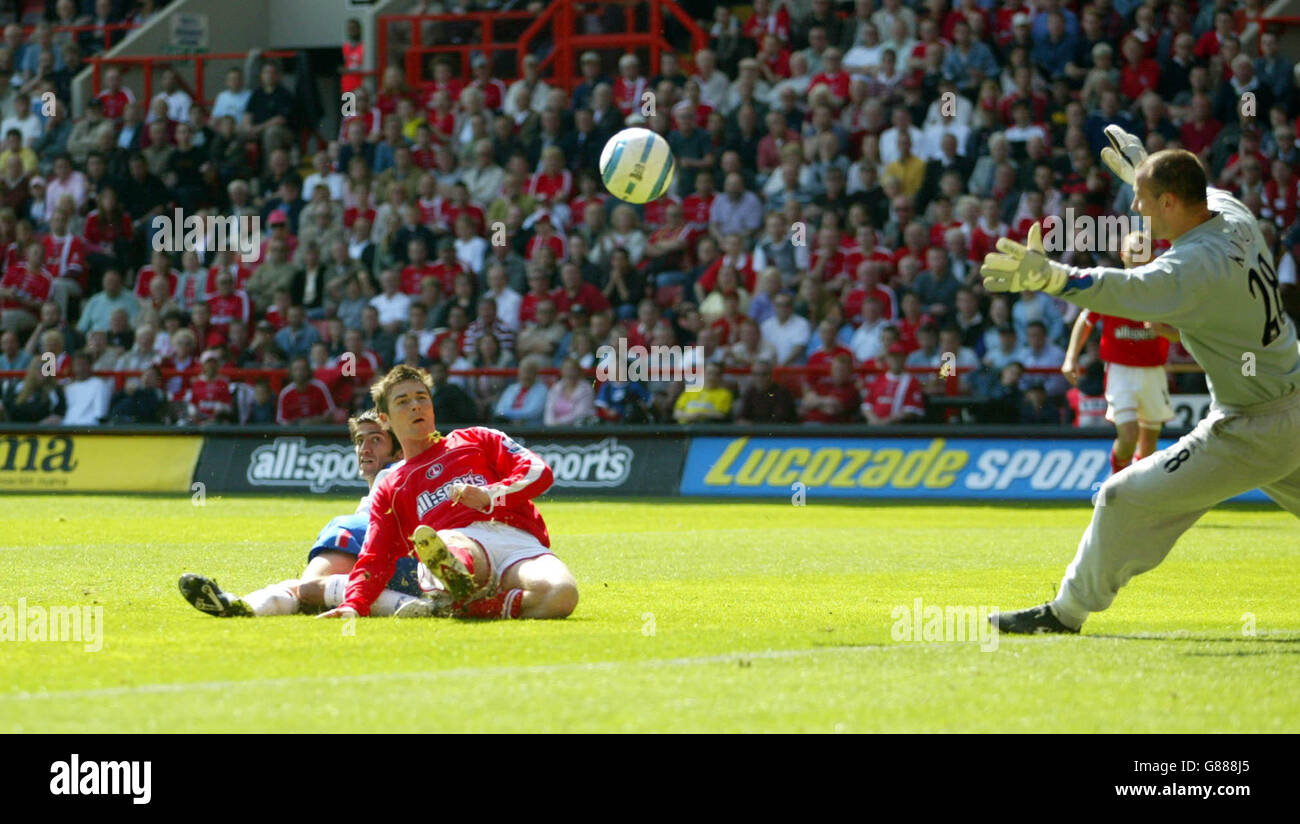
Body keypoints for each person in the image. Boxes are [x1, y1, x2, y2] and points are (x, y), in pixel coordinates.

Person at [980, 127, 1300, 634]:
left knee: (1120, 497)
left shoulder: (1192, 264)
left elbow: (1122, 289)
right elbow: (1196, 194)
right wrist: (1143, 167)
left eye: (1142, 200)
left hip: (1254, 426)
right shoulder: (1233, 212)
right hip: (1291, 397)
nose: (1136, 210)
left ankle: (1063, 615)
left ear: (1170, 201)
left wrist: (1049, 277)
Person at [318, 364, 578, 620]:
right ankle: (449, 574)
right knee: (448, 550)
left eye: (421, 398)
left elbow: (538, 471)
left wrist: (491, 495)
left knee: (561, 593)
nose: (416, 406)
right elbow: (376, 555)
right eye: (403, 401)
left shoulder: (476, 438)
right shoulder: (391, 485)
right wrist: (354, 603)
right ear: (384, 419)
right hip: (460, 541)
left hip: (518, 542)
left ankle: (467, 606)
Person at [178, 410, 436, 618]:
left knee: (314, 580)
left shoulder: (393, 473)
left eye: (376, 440)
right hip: (418, 570)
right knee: (308, 592)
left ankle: (408, 605)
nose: (365, 448)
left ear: (399, 451)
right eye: (360, 441)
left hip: (406, 559)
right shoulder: (400, 477)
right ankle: (241, 606)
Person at [1061, 230, 1179, 473]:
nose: (1139, 256)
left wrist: (1162, 330)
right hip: (1120, 372)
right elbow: (1086, 320)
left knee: (1148, 449)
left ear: (1153, 256)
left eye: (1144, 251)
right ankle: (1115, 481)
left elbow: (1184, 333)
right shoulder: (1111, 286)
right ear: (1123, 254)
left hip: (1153, 372)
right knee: (1128, 437)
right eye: (1134, 251)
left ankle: (1134, 496)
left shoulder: (1163, 291)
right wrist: (1071, 357)